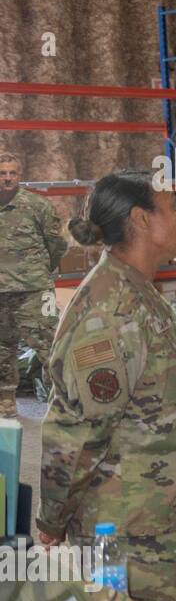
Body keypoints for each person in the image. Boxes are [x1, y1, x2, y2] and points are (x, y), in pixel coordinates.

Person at [37, 170, 176, 601]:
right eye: (172, 208)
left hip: (144, 513)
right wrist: (52, 518)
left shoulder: (135, 288)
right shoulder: (108, 310)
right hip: (118, 524)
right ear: (140, 219)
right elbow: (78, 432)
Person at [0, 152, 67, 417]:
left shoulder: (37, 206)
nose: (7, 178)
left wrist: (40, 272)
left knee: (49, 346)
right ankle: (6, 404)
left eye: (12, 173)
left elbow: (57, 244)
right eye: (2, 173)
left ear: (20, 175)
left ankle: (62, 401)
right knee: (3, 351)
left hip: (34, 292)